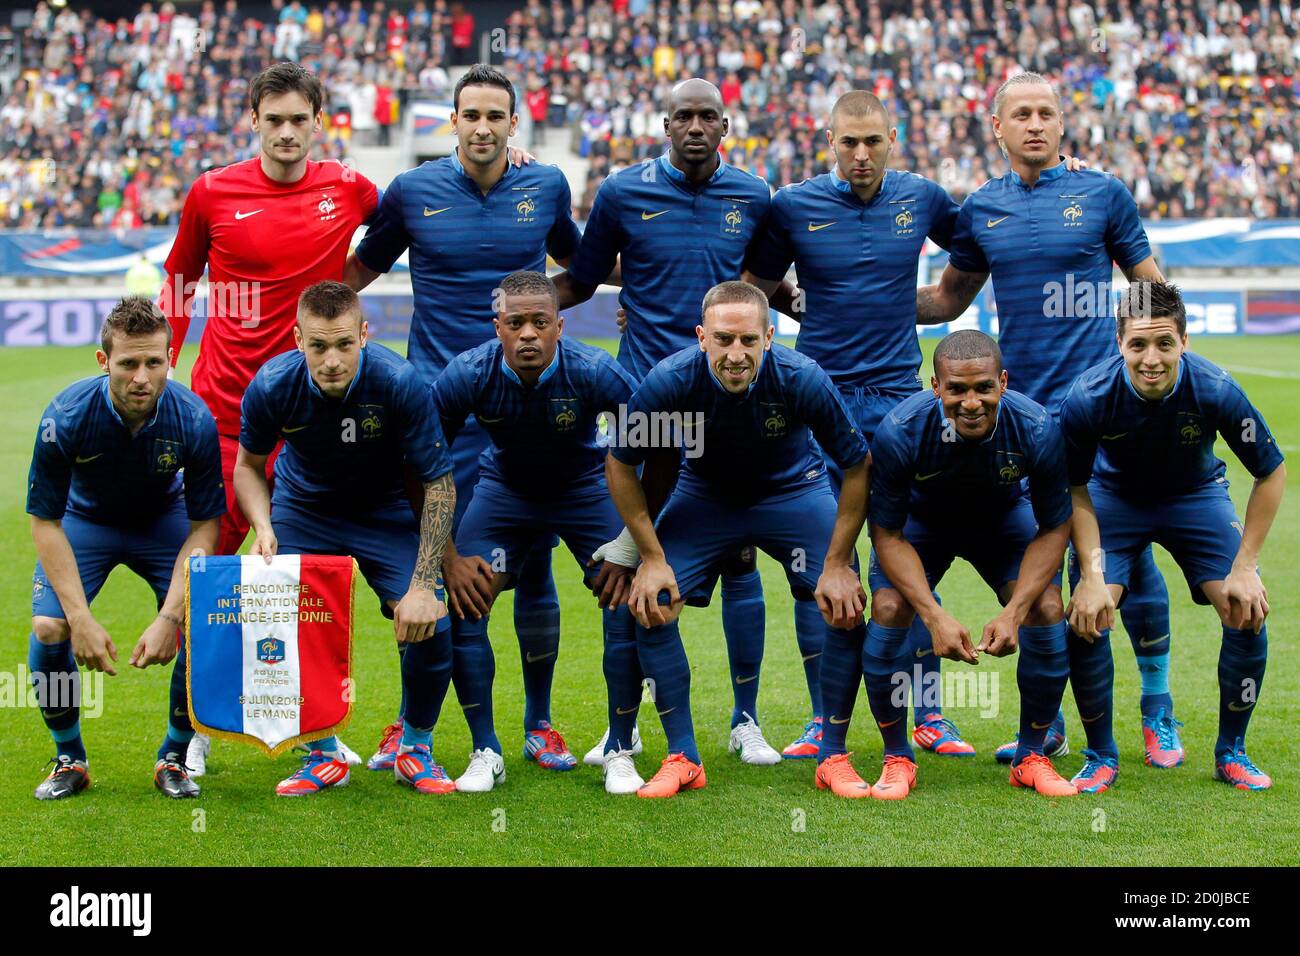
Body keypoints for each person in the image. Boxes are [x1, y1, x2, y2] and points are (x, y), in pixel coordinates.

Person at [917, 71, 1173, 767]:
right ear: (996, 129)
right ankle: (1050, 722)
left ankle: (1158, 709)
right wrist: (857, 303)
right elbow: (946, 301)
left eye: (1047, 113)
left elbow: (1153, 288)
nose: (1035, 124)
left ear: (1063, 125)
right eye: (1021, 114)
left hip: (1098, 411)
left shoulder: (1102, 192)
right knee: (1042, 565)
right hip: (1021, 417)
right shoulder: (981, 210)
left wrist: (1153, 374)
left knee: (1126, 557)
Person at [554, 78, 807, 765]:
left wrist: (825, 307)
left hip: (731, 407)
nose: (695, 126)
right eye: (683, 116)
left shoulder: (755, 196)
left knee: (741, 557)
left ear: (726, 124)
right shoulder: (621, 192)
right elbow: (579, 279)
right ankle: (622, 724)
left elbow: (766, 284)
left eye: (707, 116)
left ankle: (746, 720)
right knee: (624, 565)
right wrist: (497, 307)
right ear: (664, 123)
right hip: (648, 406)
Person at [346, 64, 585, 773]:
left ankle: (539, 724)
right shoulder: (413, 192)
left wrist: (537, 331)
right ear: (452, 121)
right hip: (434, 414)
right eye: (469, 114)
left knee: (532, 566)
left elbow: (578, 269)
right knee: (426, 568)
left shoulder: (545, 187)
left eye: (495, 115)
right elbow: (353, 276)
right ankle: (409, 725)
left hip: (521, 410)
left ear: (515, 124)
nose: (482, 126)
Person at [158, 61, 381, 772]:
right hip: (224, 418)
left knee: (304, 580)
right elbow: (179, 280)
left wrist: (509, 160)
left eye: (299, 119)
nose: (287, 132)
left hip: (311, 425)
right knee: (215, 579)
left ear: (320, 121)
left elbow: (412, 214)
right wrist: (163, 365)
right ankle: (185, 731)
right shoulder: (213, 191)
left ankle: (316, 732)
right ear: (252, 120)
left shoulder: (347, 187)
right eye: (273, 119)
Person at [743, 89, 974, 759]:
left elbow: (974, 257)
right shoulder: (794, 207)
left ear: (894, 139)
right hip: (815, 402)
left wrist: (924, 308)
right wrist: (809, 312)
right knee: (818, 562)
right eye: (849, 142)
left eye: (874, 141)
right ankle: (826, 714)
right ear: (830, 142)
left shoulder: (924, 199)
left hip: (901, 401)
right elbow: (756, 285)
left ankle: (925, 710)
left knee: (910, 551)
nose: (862, 153)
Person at [605, 281, 870, 798]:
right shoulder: (671, 379)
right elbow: (620, 463)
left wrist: (838, 561)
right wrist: (651, 556)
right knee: (650, 598)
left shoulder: (802, 377)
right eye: (723, 340)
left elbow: (858, 465)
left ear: (770, 337)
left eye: (748, 340)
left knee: (845, 602)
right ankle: (684, 755)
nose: (735, 354)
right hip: (705, 497)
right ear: (701, 337)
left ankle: (833, 754)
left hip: (794, 491)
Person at [234, 282, 457, 796]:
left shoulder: (399, 382)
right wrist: (263, 526)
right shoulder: (271, 385)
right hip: (304, 508)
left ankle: (414, 746)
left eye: (343, 345)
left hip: (383, 512)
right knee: (277, 617)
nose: (332, 360)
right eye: (318, 346)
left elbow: (438, 483)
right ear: (297, 340)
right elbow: (247, 468)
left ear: (363, 334)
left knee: (431, 617)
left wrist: (425, 581)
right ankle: (322, 752)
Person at [1062, 281, 1285, 792]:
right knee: (1087, 615)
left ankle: (1232, 751)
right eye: (1138, 344)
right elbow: (1073, 487)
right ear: (1118, 343)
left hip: (1195, 496)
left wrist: (1245, 567)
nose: (1152, 358)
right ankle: (1101, 754)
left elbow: (1270, 472)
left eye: (1165, 343)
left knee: (1246, 610)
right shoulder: (1089, 397)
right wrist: (1092, 576)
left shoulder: (1216, 389)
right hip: (1113, 498)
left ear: (1184, 341)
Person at [432, 271, 642, 793]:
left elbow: (652, 450)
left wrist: (631, 543)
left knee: (624, 595)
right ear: (497, 327)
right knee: (467, 599)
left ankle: (619, 745)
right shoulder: (468, 373)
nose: (528, 334)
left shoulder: (597, 372)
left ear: (559, 327)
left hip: (584, 489)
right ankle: (486, 749)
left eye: (539, 323)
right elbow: (424, 461)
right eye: (516, 323)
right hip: (506, 493)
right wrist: (448, 555)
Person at [26, 297, 224, 800]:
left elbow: (205, 527)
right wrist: (81, 618)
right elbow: (45, 521)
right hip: (84, 520)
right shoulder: (65, 417)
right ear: (103, 362)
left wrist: (171, 617)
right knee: (50, 626)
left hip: (163, 522)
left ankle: (174, 757)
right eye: (128, 363)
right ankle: (69, 755)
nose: (142, 377)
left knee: (203, 621)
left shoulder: (193, 419)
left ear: (170, 358)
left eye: (154, 362)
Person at [866, 330, 1076, 799]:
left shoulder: (1037, 427)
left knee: (1045, 605)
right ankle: (897, 757)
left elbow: (1054, 528)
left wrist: (1014, 611)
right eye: (956, 390)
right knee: (887, 608)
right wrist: (933, 615)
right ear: (935, 387)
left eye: (984, 387)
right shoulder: (900, 430)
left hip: (1001, 521)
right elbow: (887, 533)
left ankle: (1032, 755)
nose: (972, 402)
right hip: (921, 526)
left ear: (1003, 381)